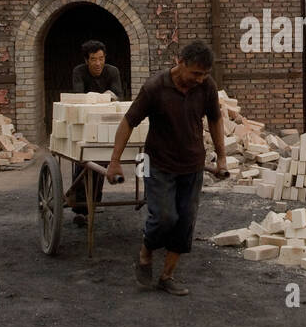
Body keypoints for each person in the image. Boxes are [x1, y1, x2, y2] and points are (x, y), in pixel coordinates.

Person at [106, 41, 228, 296]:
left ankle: (167, 276)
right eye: (195, 73)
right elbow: (128, 122)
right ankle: (146, 251)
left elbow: (215, 120)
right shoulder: (155, 87)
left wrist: (222, 157)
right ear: (179, 62)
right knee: (164, 218)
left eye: (205, 74)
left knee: (184, 222)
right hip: (159, 163)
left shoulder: (206, 87)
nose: (200, 79)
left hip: (192, 164)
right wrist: (115, 161)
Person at [67, 40, 126, 224]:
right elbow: (79, 98)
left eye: (101, 58)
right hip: (85, 124)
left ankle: (92, 202)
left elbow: (118, 95)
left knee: (100, 163)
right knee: (83, 162)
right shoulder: (79, 72)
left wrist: (98, 99)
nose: (98, 63)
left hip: (108, 124)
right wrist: (103, 98)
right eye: (94, 59)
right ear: (87, 60)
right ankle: (80, 207)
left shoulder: (112, 71)